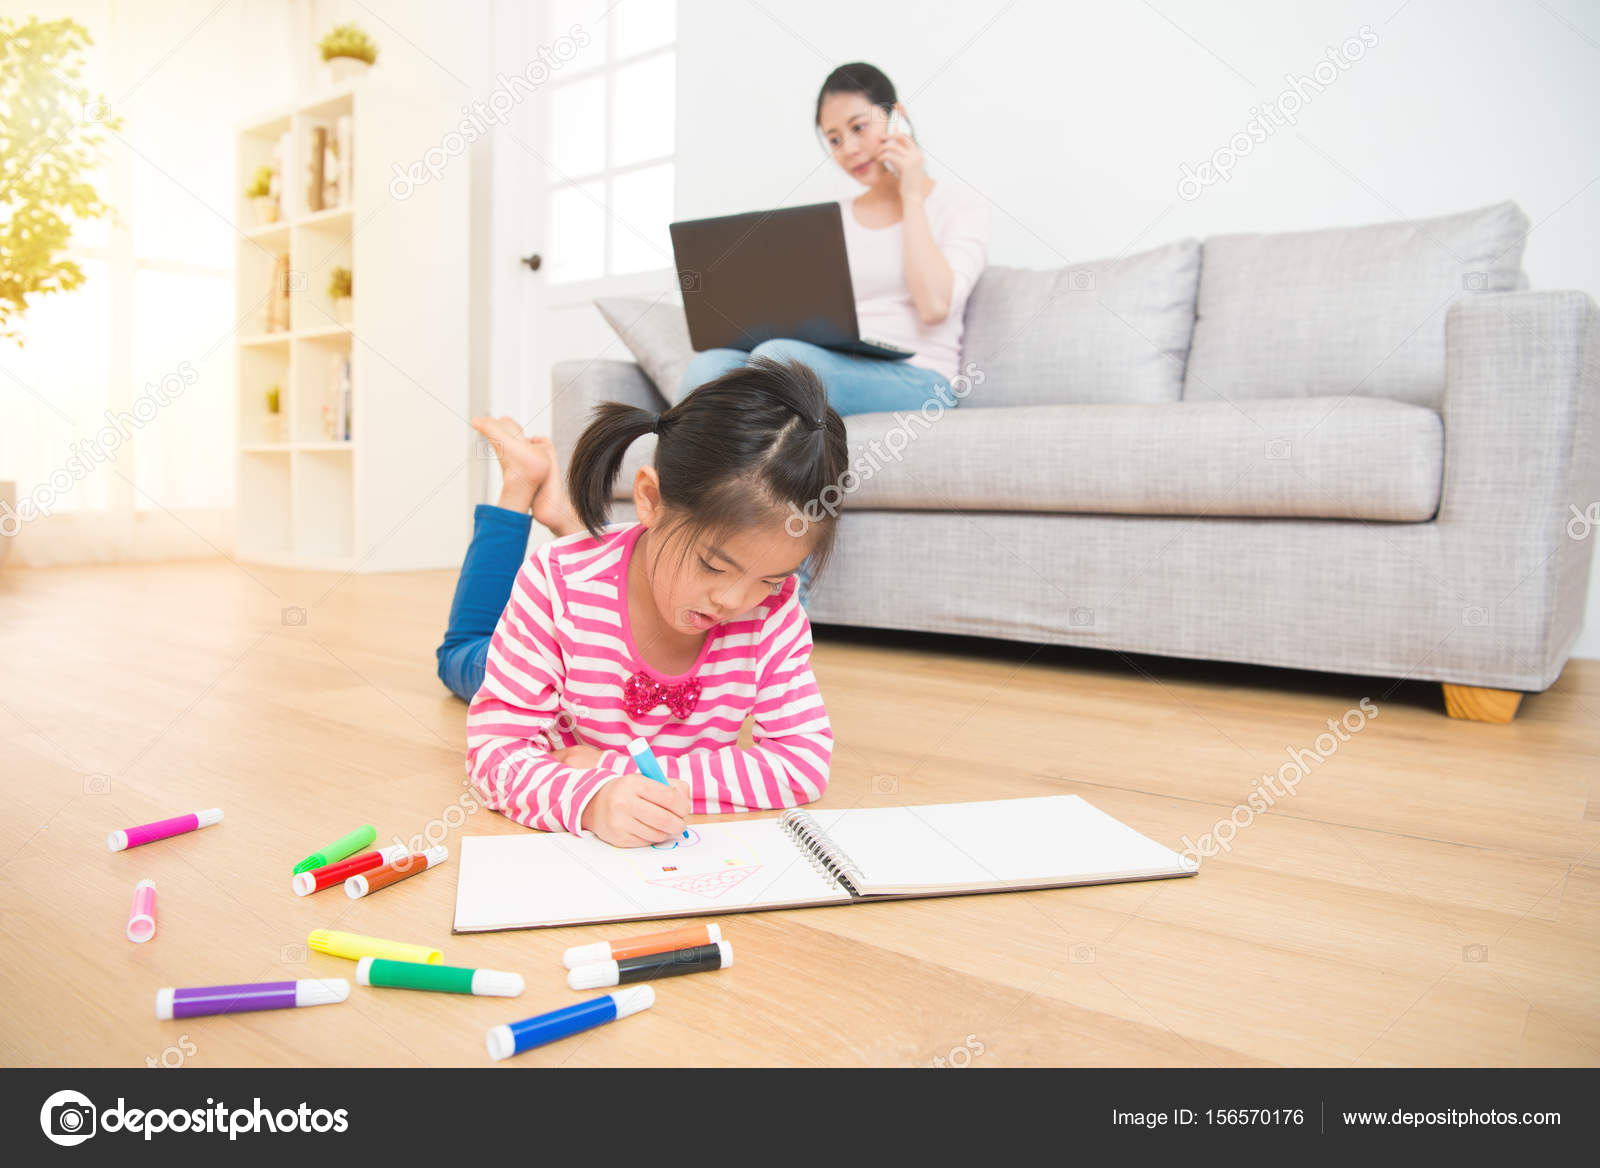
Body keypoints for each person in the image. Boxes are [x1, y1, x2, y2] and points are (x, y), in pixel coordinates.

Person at [447, 356, 849, 847]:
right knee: (461, 656)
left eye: (770, 578)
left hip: (599, 611)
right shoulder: (556, 584)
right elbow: (495, 753)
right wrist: (591, 802)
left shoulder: (773, 611)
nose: (732, 600)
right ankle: (520, 488)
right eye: (714, 566)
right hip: (552, 647)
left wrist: (616, 770)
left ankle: (572, 524)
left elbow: (802, 763)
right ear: (651, 500)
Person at [674, 61, 989, 421]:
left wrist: (912, 194)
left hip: (923, 380)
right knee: (707, 368)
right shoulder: (831, 218)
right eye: (835, 139)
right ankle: (668, 478)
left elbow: (935, 306)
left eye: (858, 127)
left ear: (896, 117)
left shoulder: (960, 205)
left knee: (781, 360)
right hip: (835, 359)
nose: (849, 149)